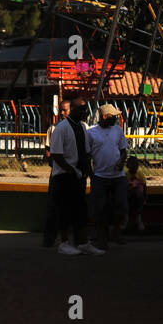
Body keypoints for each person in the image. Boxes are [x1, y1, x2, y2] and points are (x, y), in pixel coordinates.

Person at [48, 96, 102, 256]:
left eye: (86, 109)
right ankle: (64, 243)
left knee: (80, 210)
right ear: (73, 109)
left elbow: (86, 152)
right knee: (64, 210)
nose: (85, 112)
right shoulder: (61, 128)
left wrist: (89, 172)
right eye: (82, 109)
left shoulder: (83, 127)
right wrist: (71, 170)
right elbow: (56, 155)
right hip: (64, 177)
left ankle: (83, 242)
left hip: (79, 177)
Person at [86, 104, 129, 248]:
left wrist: (121, 162)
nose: (116, 119)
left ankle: (116, 231)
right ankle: (102, 236)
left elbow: (123, 151)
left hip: (118, 176)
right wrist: (92, 175)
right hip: (100, 176)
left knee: (121, 205)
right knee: (100, 208)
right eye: (114, 116)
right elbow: (87, 156)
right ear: (105, 116)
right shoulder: (91, 133)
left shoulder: (117, 130)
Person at [43, 100, 70, 247]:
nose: (62, 113)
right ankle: (49, 239)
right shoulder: (53, 129)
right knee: (53, 207)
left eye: (65, 110)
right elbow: (48, 149)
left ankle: (69, 238)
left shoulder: (80, 128)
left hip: (71, 174)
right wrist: (53, 164)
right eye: (60, 110)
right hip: (57, 174)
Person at [126, 156, 147, 233]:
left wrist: (145, 197)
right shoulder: (126, 174)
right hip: (130, 192)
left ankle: (139, 218)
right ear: (128, 166)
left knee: (139, 198)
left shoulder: (140, 174)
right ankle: (127, 218)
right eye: (131, 165)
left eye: (135, 165)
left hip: (138, 193)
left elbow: (144, 187)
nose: (134, 167)